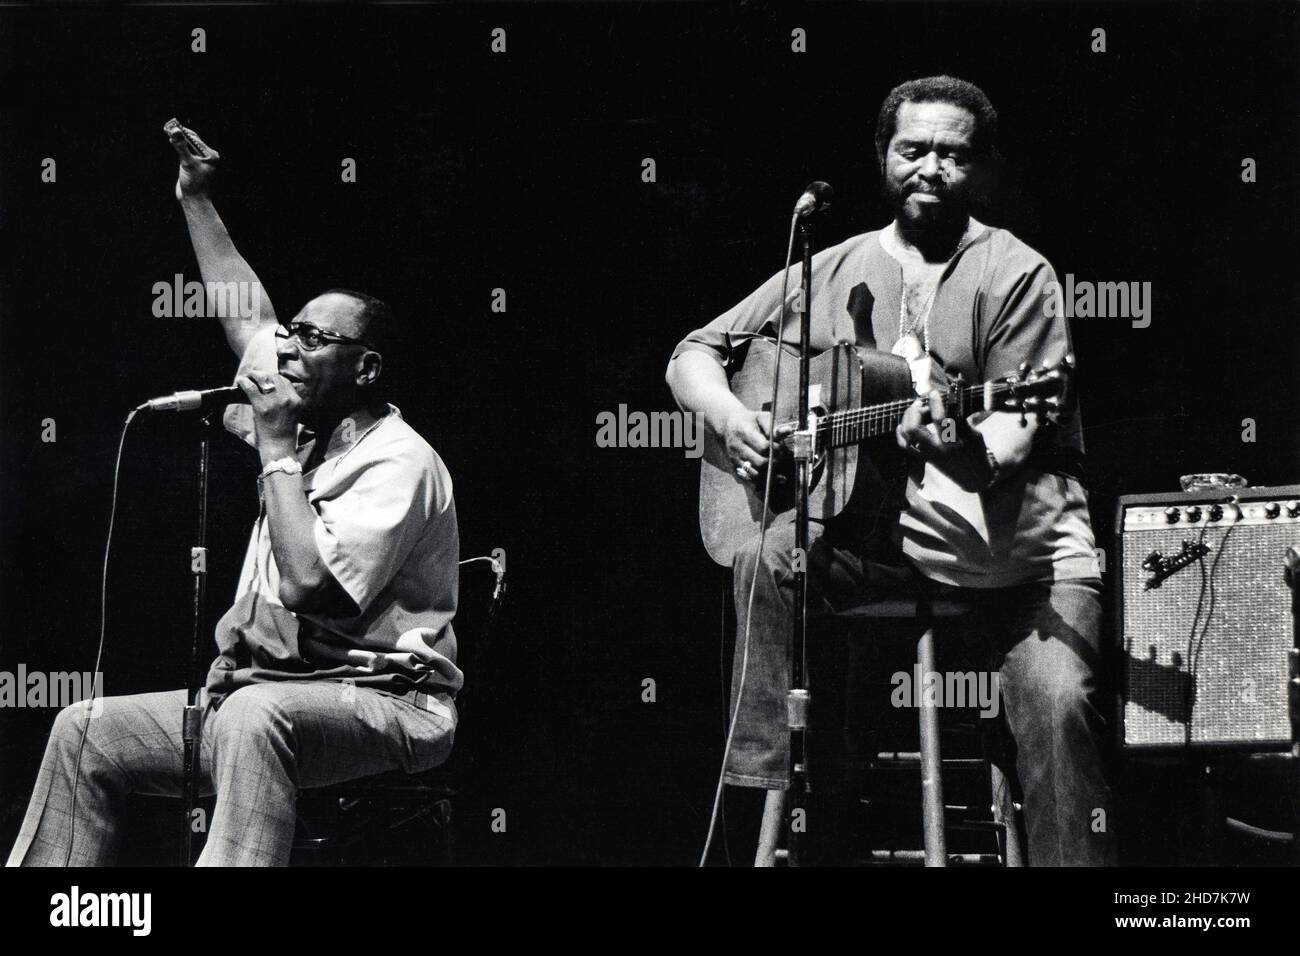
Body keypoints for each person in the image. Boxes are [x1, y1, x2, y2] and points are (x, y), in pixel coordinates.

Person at [666, 76, 1113, 866]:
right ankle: (776, 785)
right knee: (766, 555)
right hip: (891, 552)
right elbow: (694, 353)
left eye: (953, 153)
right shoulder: (829, 267)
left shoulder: (1016, 273)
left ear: (985, 170)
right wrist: (738, 422)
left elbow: (1004, 444)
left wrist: (953, 442)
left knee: (1059, 706)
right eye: (914, 149)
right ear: (884, 156)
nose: (931, 167)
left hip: (1023, 567)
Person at [7, 123, 461, 867]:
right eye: (293, 333)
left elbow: (312, 587)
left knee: (253, 716)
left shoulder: (402, 462)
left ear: (367, 369)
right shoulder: (306, 425)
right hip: (264, 691)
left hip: (385, 706)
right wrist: (197, 199)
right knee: (82, 730)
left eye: (312, 340)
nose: (286, 349)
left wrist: (274, 447)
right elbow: (245, 313)